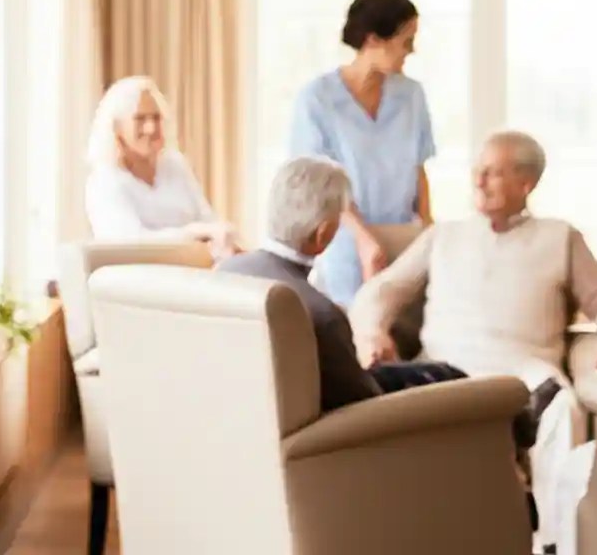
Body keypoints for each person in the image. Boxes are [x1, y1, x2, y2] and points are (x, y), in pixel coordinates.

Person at [219, 156, 557, 532]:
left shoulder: (226, 275)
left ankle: (522, 421)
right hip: (356, 431)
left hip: (276, 422)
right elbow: (366, 402)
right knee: (472, 391)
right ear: (324, 233)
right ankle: (520, 423)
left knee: (446, 373)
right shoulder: (320, 313)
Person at [349, 130, 597, 554]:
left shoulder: (560, 237)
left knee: (563, 410)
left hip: (524, 372)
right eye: (477, 171)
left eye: (492, 173)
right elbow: (382, 291)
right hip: (442, 370)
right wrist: (371, 329)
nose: (478, 182)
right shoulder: (444, 235)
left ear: (526, 183)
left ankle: (552, 543)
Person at [288, 0, 436, 307]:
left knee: (403, 329)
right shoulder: (317, 99)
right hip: (345, 241)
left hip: (403, 240)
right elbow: (322, 183)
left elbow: (418, 168)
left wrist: (428, 231)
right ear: (373, 40)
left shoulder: (411, 95)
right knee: (354, 330)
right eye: (405, 41)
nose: (411, 50)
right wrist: (363, 238)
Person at [84, 75, 238, 259]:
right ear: (117, 128)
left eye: (156, 118)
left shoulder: (175, 165)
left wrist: (222, 237)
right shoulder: (104, 181)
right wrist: (193, 233)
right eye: (140, 119)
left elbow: (208, 220)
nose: (151, 128)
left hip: (193, 270)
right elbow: (129, 244)